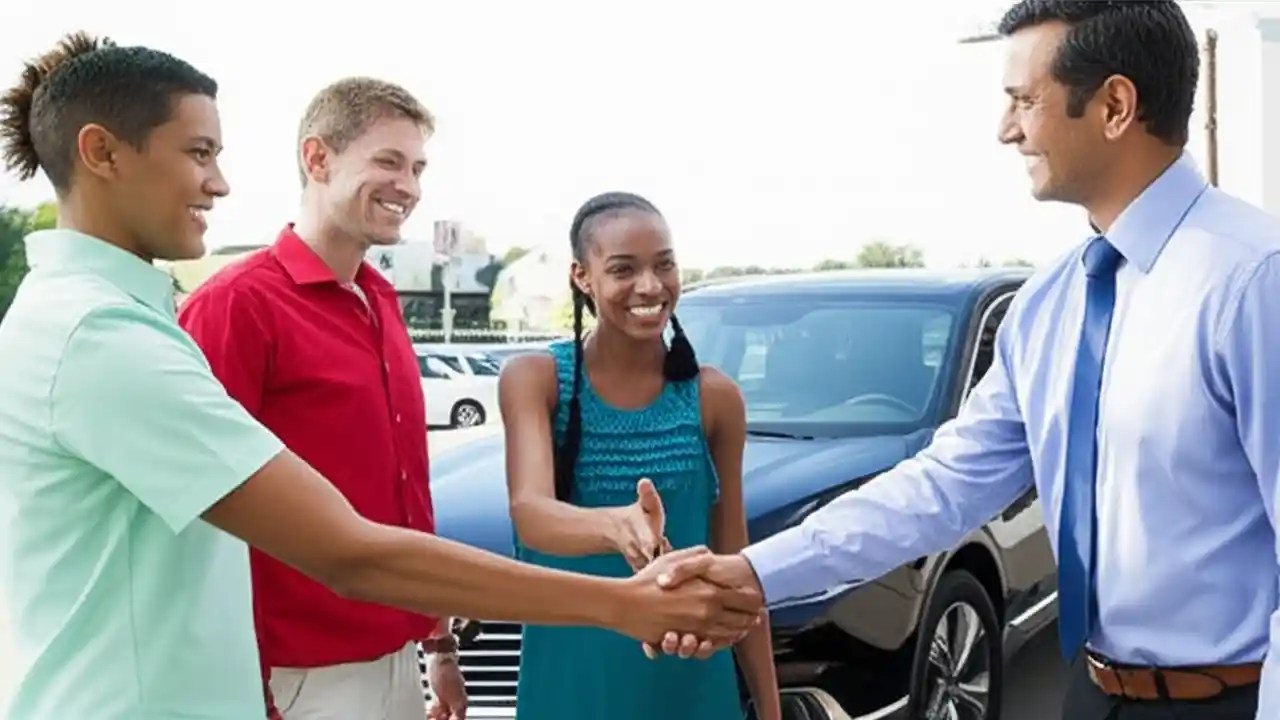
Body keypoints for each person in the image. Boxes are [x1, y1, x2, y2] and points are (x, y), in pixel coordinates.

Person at [0, 32, 761, 720]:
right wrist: (621, 606)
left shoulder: (358, 305)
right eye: (199, 154)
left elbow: (394, 505)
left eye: (418, 166)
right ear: (102, 153)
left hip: (379, 658)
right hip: (278, 682)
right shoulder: (113, 333)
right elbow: (347, 549)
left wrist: (435, 647)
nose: (221, 183)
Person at [654, 2, 1279, 718]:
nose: (1006, 129)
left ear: (1114, 104)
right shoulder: (1052, 302)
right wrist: (754, 573)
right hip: (1094, 694)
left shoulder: (1255, 282)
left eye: (1023, 100)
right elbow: (942, 487)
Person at [177, 77, 463, 720]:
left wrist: (438, 645)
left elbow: (405, 496)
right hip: (294, 679)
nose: (410, 187)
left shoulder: (380, 300)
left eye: (417, 168)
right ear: (317, 158)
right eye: (388, 161)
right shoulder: (236, 306)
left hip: (396, 662)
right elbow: (204, 521)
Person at [497, 192, 782, 720]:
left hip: (690, 685)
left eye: (664, 265)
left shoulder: (713, 398)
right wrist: (616, 526)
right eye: (624, 269)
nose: (650, 287)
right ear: (583, 277)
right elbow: (530, 514)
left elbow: (736, 565)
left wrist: (769, 707)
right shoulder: (537, 380)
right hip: (571, 687)